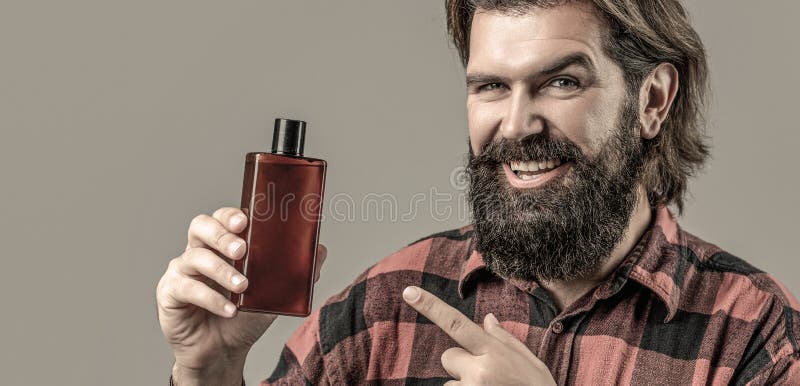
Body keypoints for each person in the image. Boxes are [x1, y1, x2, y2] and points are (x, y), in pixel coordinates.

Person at [156, 0, 800, 384]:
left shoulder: (755, 337)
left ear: (652, 100)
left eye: (562, 83)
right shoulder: (379, 312)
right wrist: (209, 371)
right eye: (491, 86)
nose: (515, 125)